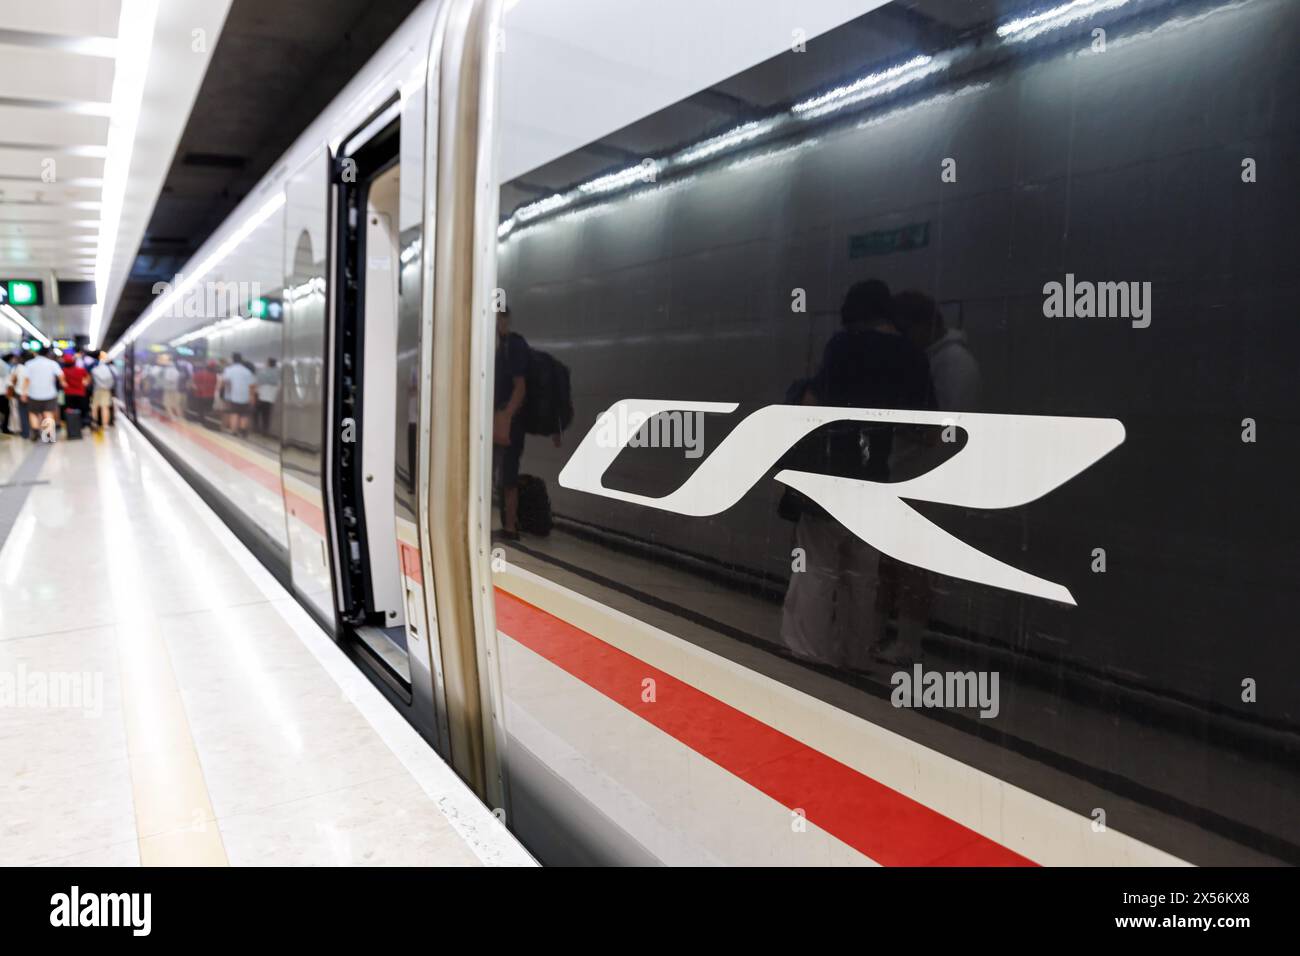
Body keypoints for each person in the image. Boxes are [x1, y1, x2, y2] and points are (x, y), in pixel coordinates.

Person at [492, 307, 529, 541]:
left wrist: (506, 416)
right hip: (501, 418)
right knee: (500, 473)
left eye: (498, 319)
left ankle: (511, 528)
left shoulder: (513, 345)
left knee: (508, 475)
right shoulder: (499, 347)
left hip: (510, 421)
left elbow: (520, 386)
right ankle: (507, 524)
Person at [22, 348, 65, 443]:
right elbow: (61, 375)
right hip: (49, 393)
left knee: (33, 413)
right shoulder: (52, 363)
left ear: (37, 353)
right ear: (48, 354)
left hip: (33, 393)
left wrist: (24, 392)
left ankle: (35, 431)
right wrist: (62, 382)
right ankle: (49, 433)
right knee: (48, 412)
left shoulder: (29, 363)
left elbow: (26, 380)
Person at [220, 352, 255, 436]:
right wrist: (251, 397)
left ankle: (234, 431)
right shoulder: (247, 371)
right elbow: (252, 385)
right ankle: (243, 430)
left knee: (234, 413)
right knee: (244, 414)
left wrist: (226, 391)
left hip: (233, 395)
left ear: (232, 360)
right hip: (245, 396)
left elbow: (225, 382)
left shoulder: (229, 370)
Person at [61, 355, 90, 430]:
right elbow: (88, 377)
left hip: (69, 394)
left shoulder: (63, 371)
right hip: (81, 393)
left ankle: (73, 425)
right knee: (82, 410)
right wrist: (85, 382)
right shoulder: (81, 369)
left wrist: (65, 385)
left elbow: (62, 382)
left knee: (71, 411)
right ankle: (82, 424)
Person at [90, 352, 116, 430]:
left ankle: (94, 422)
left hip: (97, 390)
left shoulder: (94, 370)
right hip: (106, 390)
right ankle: (105, 425)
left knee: (95, 407)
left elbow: (91, 381)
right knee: (105, 407)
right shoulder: (110, 369)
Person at [254, 357, 279, 435]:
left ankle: (256, 429)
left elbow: (257, 383)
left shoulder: (263, 372)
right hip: (271, 398)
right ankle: (265, 431)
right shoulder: (277, 373)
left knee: (256, 412)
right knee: (266, 415)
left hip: (261, 396)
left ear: (268, 363)